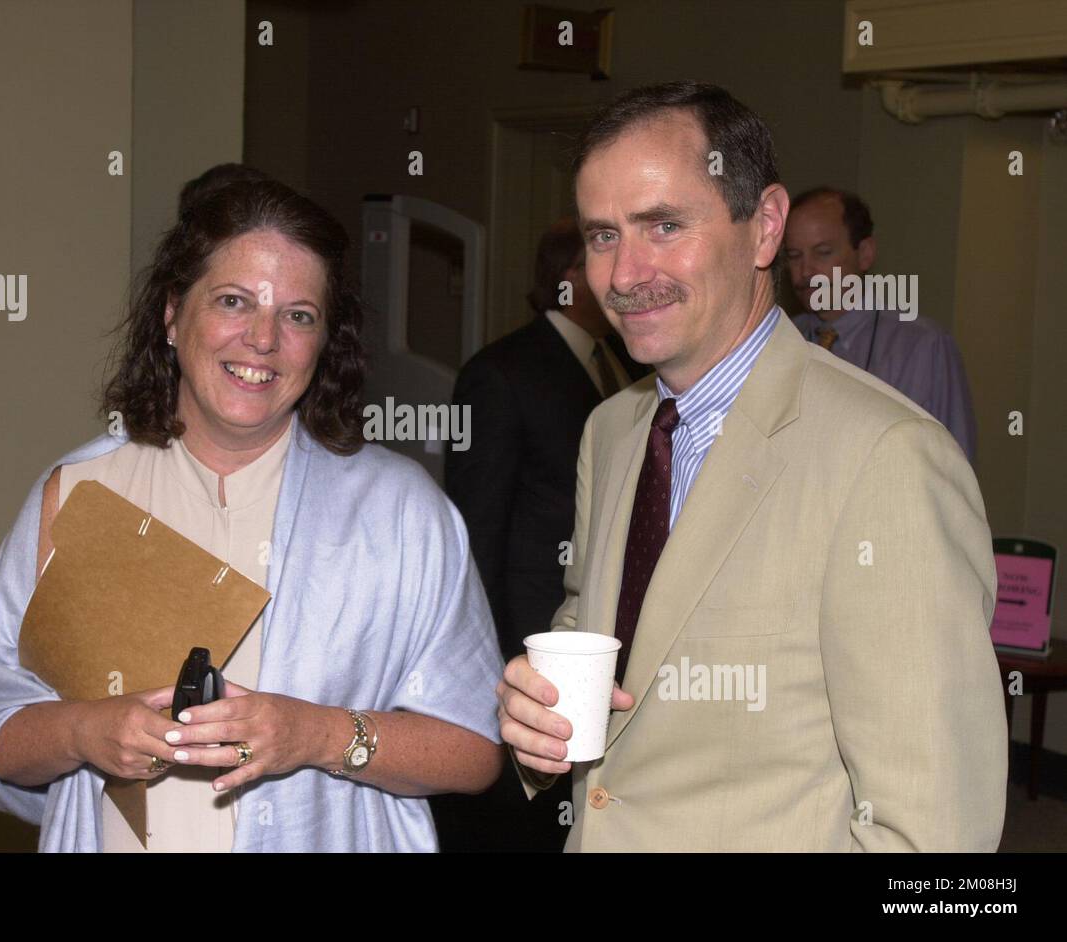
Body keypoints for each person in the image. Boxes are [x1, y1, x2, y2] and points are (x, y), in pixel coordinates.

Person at [496, 81, 1007, 851]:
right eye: (603, 236)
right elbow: (602, 633)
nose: (626, 274)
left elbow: (935, 837)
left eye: (663, 225)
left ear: (765, 226)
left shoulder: (887, 458)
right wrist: (541, 719)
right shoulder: (613, 431)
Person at [0, 177, 505, 852]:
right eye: (234, 302)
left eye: (299, 315)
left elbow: (475, 748)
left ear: (326, 340)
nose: (263, 339)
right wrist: (83, 732)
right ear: (173, 314)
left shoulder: (399, 511)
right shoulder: (82, 493)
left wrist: (318, 735)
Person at [431, 218, 648, 852]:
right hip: (522, 650)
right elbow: (475, 533)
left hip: (587, 640)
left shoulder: (617, 367)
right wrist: (488, 663)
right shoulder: (499, 373)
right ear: (569, 277)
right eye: (603, 250)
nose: (623, 274)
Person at [784, 186, 978, 463]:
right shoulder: (783, 338)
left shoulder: (924, 346)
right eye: (793, 256)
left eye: (822, 252)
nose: (805, 272)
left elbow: (953, 467)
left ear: (864, 253)